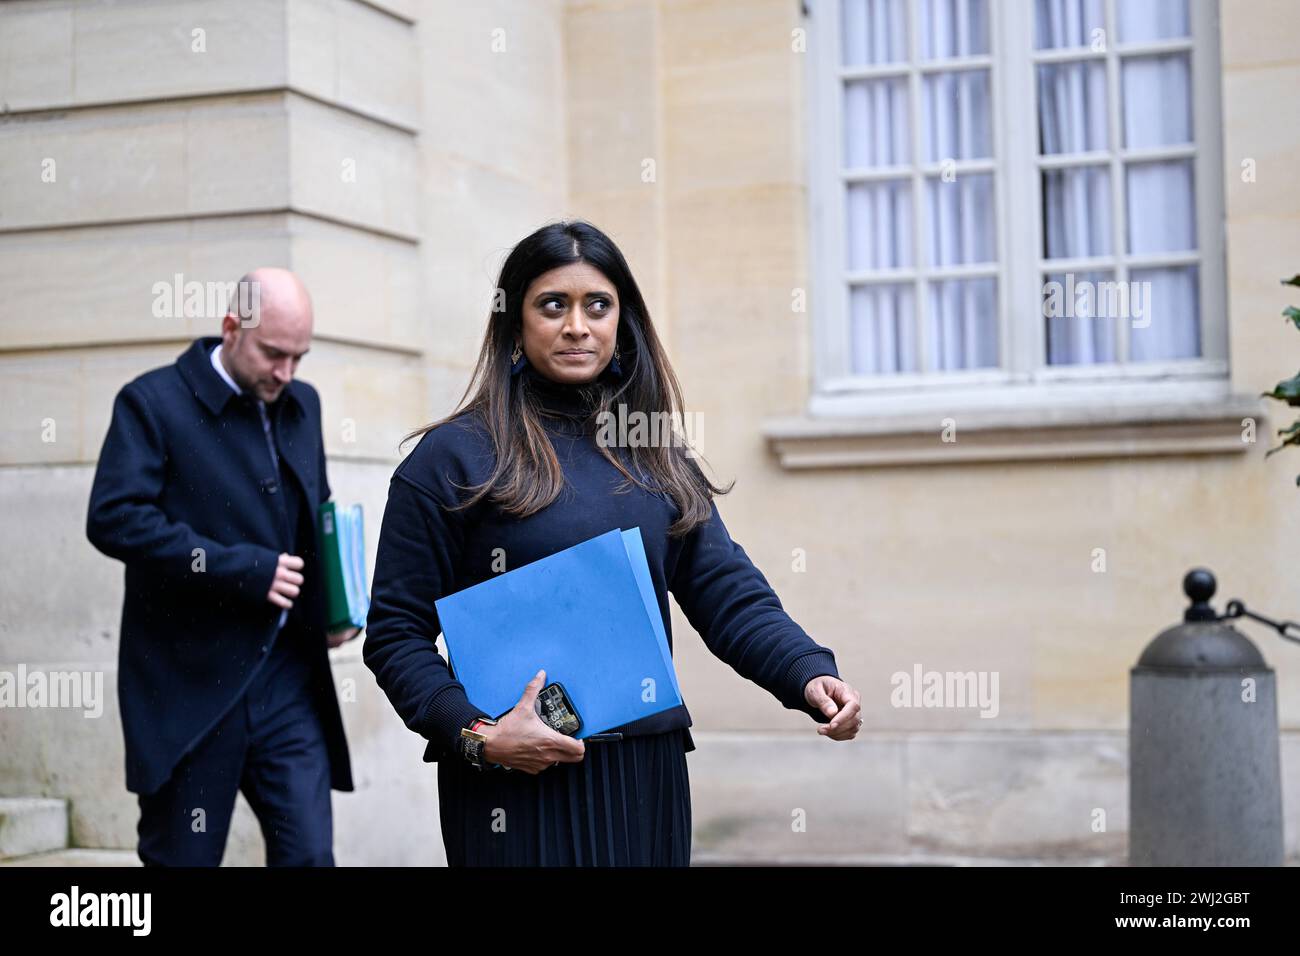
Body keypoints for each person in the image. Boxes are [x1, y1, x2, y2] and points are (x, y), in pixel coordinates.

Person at [363, 220, 862, 866]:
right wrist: (480, 734)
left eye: (597, 305)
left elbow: (727, 592)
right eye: (553, 305)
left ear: (621, 323)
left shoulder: (654, 453)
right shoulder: (452, 459)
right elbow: (395, 633)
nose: (578, 325)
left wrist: (808, 671)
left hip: (641, 779)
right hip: (513, 789)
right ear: (515, 324)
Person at [86, 267, 357, 866]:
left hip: (288, 680)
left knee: (311, 856)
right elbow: (112, 518)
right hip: (190, 686)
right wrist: (241, 570)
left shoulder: (301, 402)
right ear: (230, 327)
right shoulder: (151, 402)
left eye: (299, 357)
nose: (286, 373)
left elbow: (315, 515)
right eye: (273, 354)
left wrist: (332, 607)